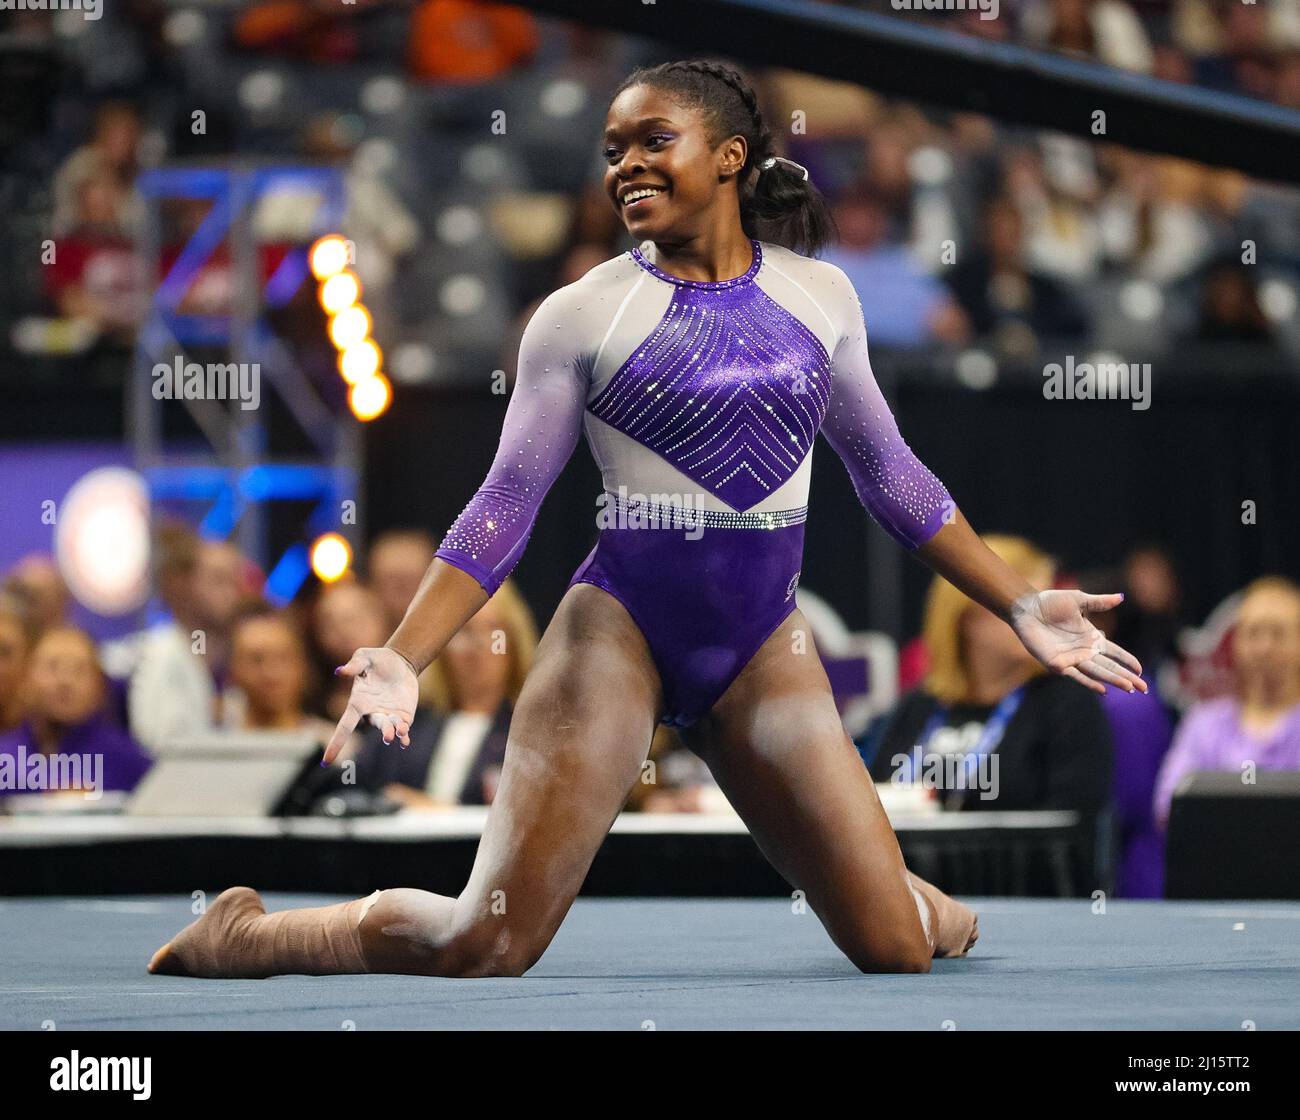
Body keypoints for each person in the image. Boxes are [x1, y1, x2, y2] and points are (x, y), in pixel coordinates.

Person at [148, 59, 1145, 981]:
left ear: (727, 156)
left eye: (650, 140)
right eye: (613, 149)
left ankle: (886, 892)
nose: (624, 164)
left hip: (762, 642)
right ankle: (252, 932)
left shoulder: (821, 296)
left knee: (896, 949)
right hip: (617, 630)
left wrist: (1015, 602)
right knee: (484, 940)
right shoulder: (581, 314)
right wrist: (407, 652)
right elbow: (507, 500)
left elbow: (891, 476)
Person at [864, 537, 1114, 890]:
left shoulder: (1069, 704)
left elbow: (1070, 828)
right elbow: (874, 802)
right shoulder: (921, 705)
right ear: (965, 616)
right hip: (909, 898)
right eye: (1024, 606)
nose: (1042, 621)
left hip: (1023, 903)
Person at [345, 580, 535, 809]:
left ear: (514, 639)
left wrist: (431, 810)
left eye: (493, 630)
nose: (478, 647)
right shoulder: (405, 725)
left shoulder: (533, 734)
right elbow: (352, 790)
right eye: (464, 631)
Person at [1154, 576, 1300, 828]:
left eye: (1278, 634)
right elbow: (1169, 806)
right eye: (1253, 633)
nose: (1264, 647)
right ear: (1236, 643)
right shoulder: (1204, 722)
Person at [0, 627, 151, 801]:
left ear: (100, 686)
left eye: (79, 670)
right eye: (52, 666)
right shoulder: (5, 757)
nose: (65, 681)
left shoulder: (130, 763)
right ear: (25, 678)